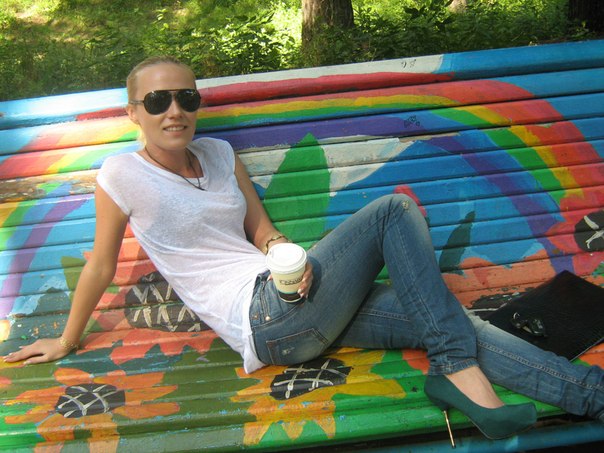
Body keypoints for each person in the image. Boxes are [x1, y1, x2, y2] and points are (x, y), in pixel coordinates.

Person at [4, 57, 603, 446]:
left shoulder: (217, 155)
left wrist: (283, 254)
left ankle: (590, 396)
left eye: (186, 97)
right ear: (133, 112)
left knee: (450, 321)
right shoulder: (121, 174)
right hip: (261, 322)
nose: (175, 111)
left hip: (293, 297)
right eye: (157, 101)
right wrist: (67, 339)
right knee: (393, 211)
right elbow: (101, 265)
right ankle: (454, 368)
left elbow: (261, 229)